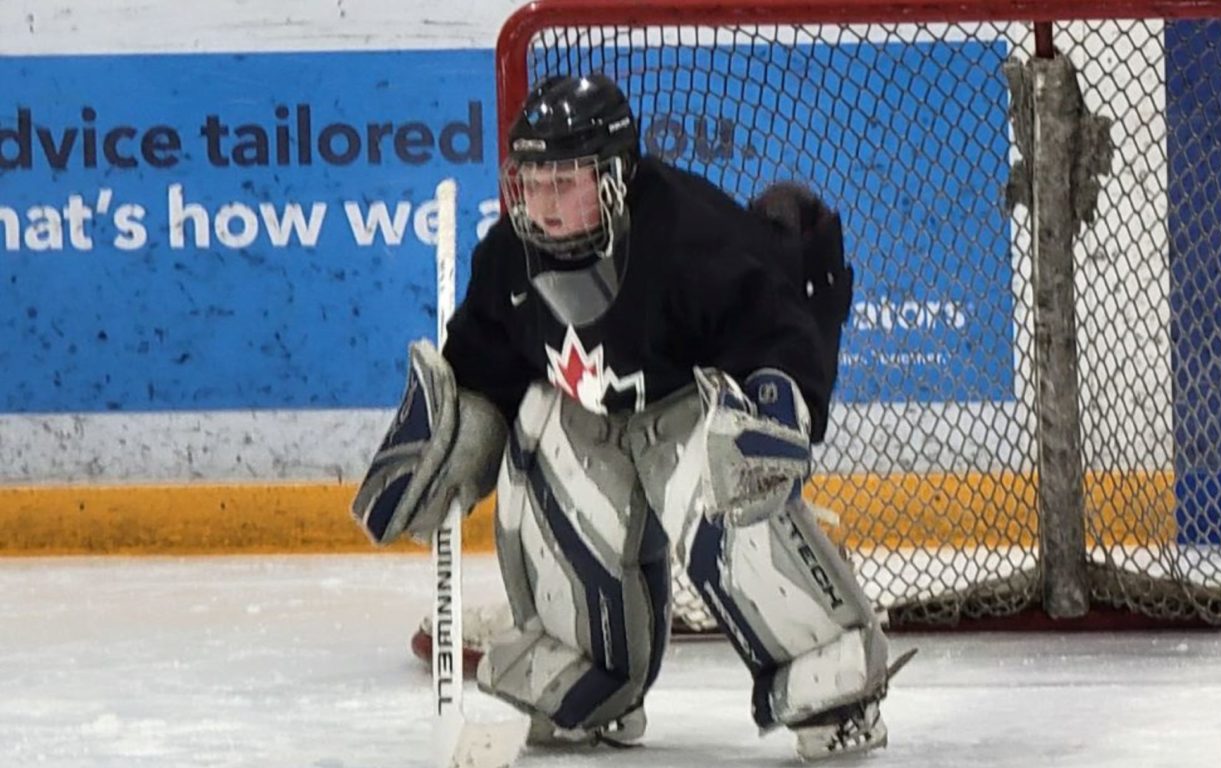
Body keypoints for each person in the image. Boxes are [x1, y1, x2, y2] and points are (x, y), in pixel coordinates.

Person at [352, 74, 900, 761]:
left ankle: (829, 681)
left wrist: (771, 404)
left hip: (688, 410)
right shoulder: (510, 259)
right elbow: (486, 355)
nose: (544, 206)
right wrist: (463, 431)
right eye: (533, 183)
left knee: (730, 480)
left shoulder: (689, 239)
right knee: (536, 426)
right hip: (595, 422)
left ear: (613, 175)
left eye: (564, 182)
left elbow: (778, 331)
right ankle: (586, 675)